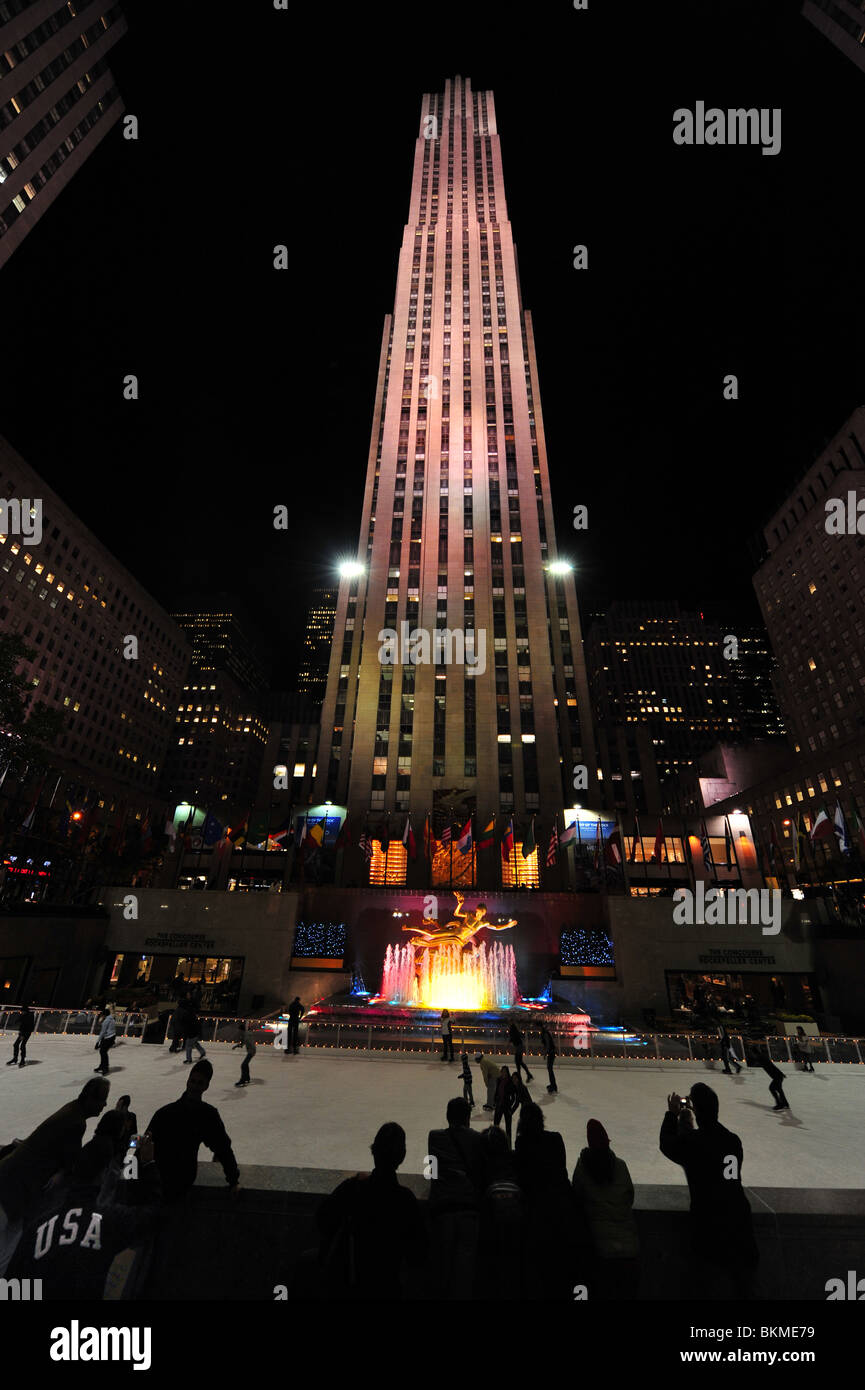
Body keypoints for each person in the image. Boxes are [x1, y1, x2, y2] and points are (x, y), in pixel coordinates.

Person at [9, 1111, 161, 1300]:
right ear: (104, 1175)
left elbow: (11, 1286)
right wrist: (148, 1164)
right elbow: (154, 1214)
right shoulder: (110, 1221)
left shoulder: (37, 1228)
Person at [0, 1077, 110, 1276]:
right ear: (90, 1099)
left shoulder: (71, 1111)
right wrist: (63, 1172)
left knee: (9, 1240)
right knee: (7, 1240)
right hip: (15, 1185)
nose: (105, 1104)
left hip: (14, 1181)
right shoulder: (76, 1122)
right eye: (102, 1099)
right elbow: (72, 1160)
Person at [659, 1084, 758, 1297]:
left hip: (710, 1228)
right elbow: (708, 1150)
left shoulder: (694, 1143)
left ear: (696, 1109)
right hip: (740, 1225)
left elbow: (670, 1145)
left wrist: (672, 1114)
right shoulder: (732, 1140)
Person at [316, 1122, 426, 1300]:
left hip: (351, 1287)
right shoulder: (405, 1200)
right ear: (402, 1156)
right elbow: (418, 1254)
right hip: (388, 1288)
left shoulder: (353, 1189)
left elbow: (322, 1219)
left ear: (374, 1151)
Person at [147, 1060, 240, 1202]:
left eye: (199, 1083)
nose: (194, 1086)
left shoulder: (206, 1115)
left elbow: (223, 1149)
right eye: (193, 1081)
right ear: (187, 1081)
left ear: (206, 1086)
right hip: (164, 1183)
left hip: (175, 1184)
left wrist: (233, 1180)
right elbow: (143, 1143)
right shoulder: (166, 1113)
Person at [572, 1119, 639, 1299]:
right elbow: (629, 1197)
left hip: (599, 1248)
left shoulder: (582, 1168)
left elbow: (576, 1199)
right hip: (628, 1247)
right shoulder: (621, 1165)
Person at [427, 1098, 486, 1298]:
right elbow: (480, 1174)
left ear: (447, 1116)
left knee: (441, 1271)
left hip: (442, 1210)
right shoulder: (478, 1139)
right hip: (468, 1210)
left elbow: (431, 1174)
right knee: (464, 1274)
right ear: (468, 1118)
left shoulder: (434, 1137)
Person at [749, 1041, 789, 1110]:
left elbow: (753, 1063)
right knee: (779, 1089)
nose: (752, 1054)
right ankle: (785, 1103)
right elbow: (772, 1065)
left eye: (752, 1053)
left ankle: (780, 1104)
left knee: (772, 1088)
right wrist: (781, 1073)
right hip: (778, 1075)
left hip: (777, 1076)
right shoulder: (761, 1056)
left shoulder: (760, 1057)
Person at [493, 1066, 518, 1146]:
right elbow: (496, 1091)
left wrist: (510, 1105)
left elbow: (513, 1097)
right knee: (496, 1126)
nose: (503, 1073)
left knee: (508, 1129)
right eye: (502, 1071)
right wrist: (495, 1101)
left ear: (507, 1073)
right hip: (499, 1106)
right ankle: (494, 1143)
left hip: (506, 1107)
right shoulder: (499, 1080)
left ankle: (508, 1145)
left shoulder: (510, 1082)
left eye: (505, 1071)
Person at [7, 1003, 34, 1069]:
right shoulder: (23, 1015)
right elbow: (18, 1022)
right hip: (22, 1032)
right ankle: (15, 1058)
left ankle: (22, 1060)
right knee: (16, 1045)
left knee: (22, 1045)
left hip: (27, 1032)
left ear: (25, 1011)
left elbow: (27, 1026)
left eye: (22, 1011)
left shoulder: (29, 1016)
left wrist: (22, 1035)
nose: (21, 1012)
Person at [94, 1006, 117, 1075]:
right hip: (111, 1036)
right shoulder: (112, 1019)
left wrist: (97, 1042)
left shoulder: (106, 1021)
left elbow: (102, 1032)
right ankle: (102, 1066)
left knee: (103, 1052)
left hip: (109, 1037)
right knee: (103, 1051)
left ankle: (105, 1068)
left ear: (104, 1015)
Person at [233, 1020, 256, 1087]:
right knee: (245, 1065)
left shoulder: (247, 1035)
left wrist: (252, 1050)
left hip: (251, 1051)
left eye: (239, 1030)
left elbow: (251, 1043)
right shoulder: (244, 1035)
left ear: (241, 1030)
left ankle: (243, 1080)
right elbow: (242, 1043)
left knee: (243, 1065)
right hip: (251, 1051)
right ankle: (247, 1078)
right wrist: (236, 1046)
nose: (238, 1032)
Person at [539, 1023, 558, 1093]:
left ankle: (553, 1086)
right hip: (551, 1052)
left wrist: (545, 1053)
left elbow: (548, 1044)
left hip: (551, 1052)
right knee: (550, 1069)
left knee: (550, 1069)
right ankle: (553, 1085)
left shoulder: (545, 1034)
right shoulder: (545, 1033)